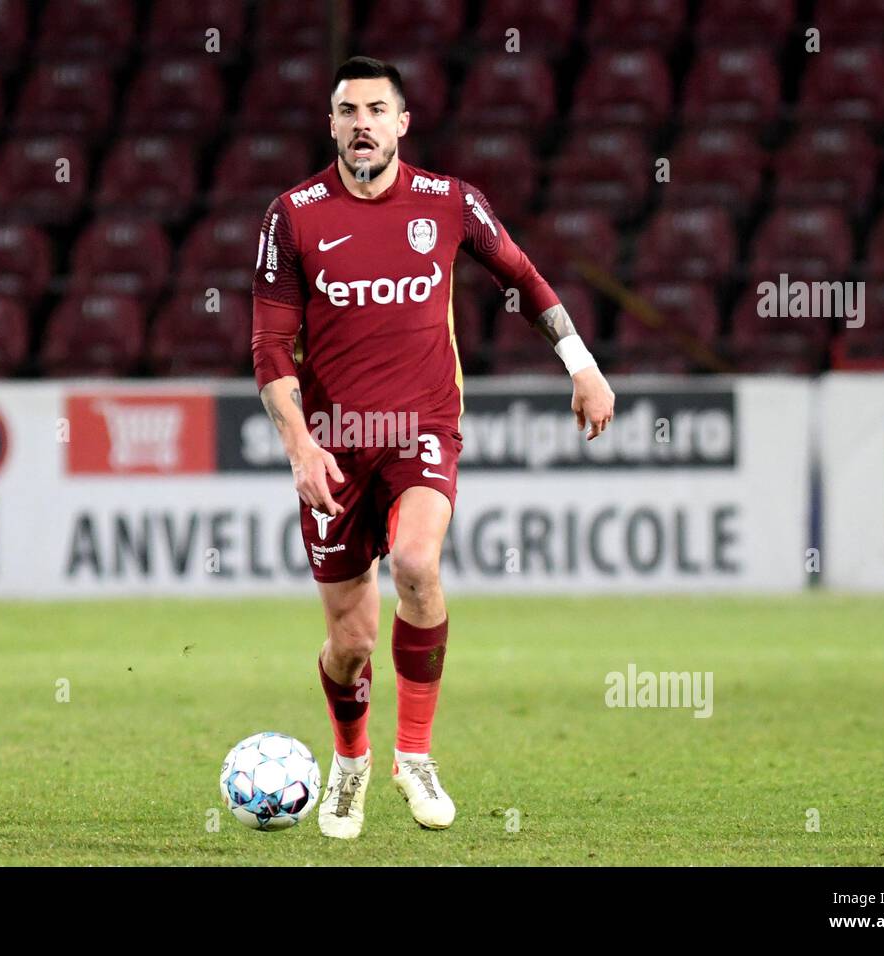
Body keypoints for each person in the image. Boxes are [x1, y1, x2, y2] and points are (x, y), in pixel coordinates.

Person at [250, 57, 615, 839]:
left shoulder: (449, 203)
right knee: (350, 644)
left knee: (417, 564)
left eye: (377, 109)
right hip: (335, 448)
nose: (362, 123)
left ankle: (412, 756)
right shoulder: (294, 215)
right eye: (347, 110)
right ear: (332, 125)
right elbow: (270, 348)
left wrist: (581, 367)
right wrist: (300, 448)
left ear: (402, 122)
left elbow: (523, 274)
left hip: (422, 429)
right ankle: (349, 761)